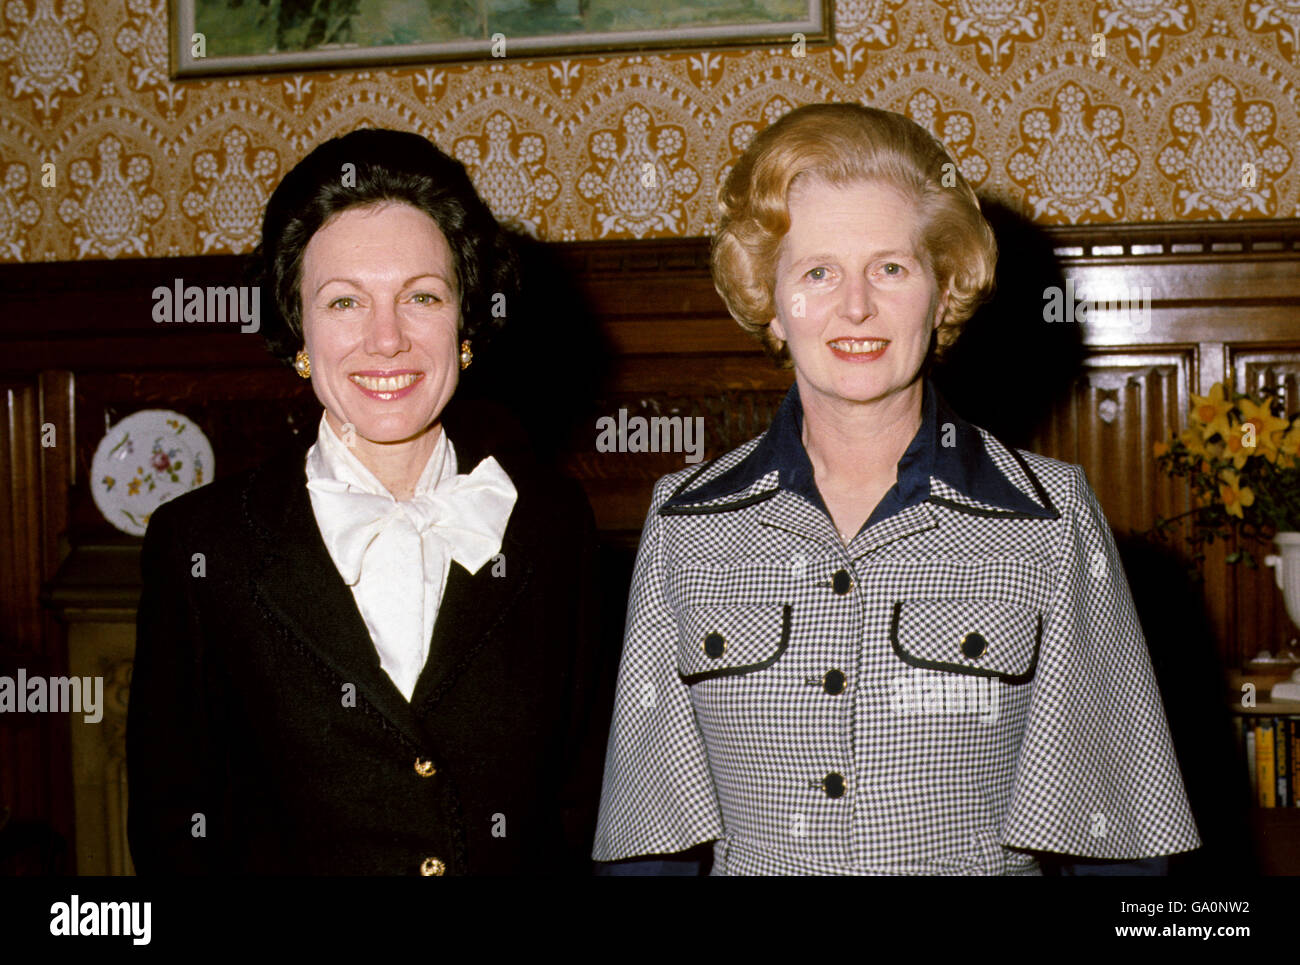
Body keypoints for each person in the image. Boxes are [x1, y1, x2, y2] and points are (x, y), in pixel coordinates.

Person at [592, 103, 1201, 875]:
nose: (856, 307)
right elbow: (650, 850)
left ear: (942, 292)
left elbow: (1120, 853)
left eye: (891, 268)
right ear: (770, 303)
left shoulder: (1050, 517)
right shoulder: (686, 521)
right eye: (818, 271)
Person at [127, 129, 604, 875]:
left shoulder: (553, 526)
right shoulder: (203, 546)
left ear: (467, 322)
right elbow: (176, 837)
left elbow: (579, 811)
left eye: (421, 296)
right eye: (345, 301)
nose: (386, 340)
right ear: (298, 332)